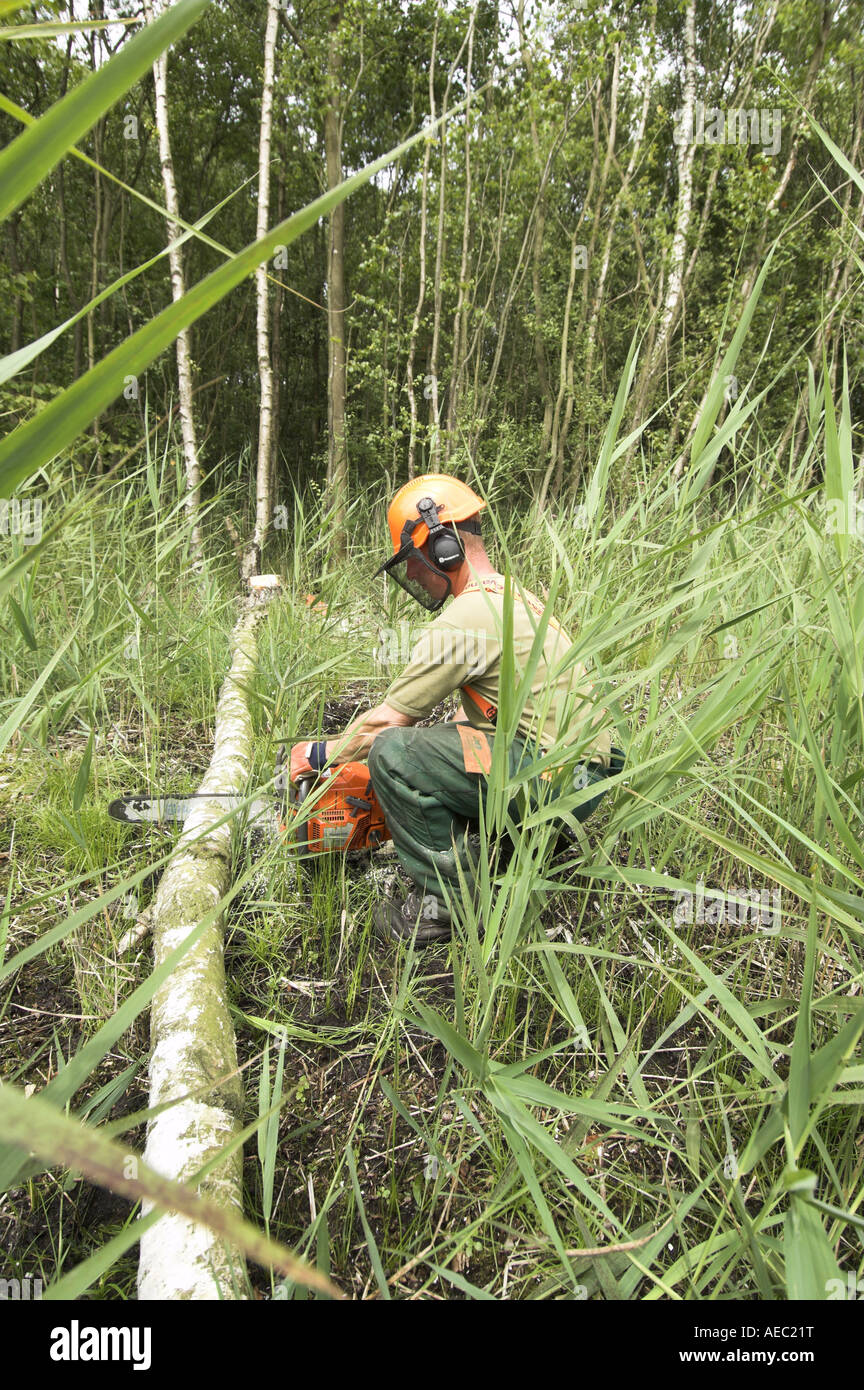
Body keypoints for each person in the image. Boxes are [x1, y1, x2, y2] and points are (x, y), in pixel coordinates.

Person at [290, 473, 623, 945]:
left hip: (551, 782)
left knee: (392, 752)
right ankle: (512, 849)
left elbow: (389, 721)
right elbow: (489, 716)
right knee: (444, 739)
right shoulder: (515, 597)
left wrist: (320, 755)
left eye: (413, 562)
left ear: (442, 546)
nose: (412, 576)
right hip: (584, 781)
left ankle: (444, 908)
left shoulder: (467, 617)